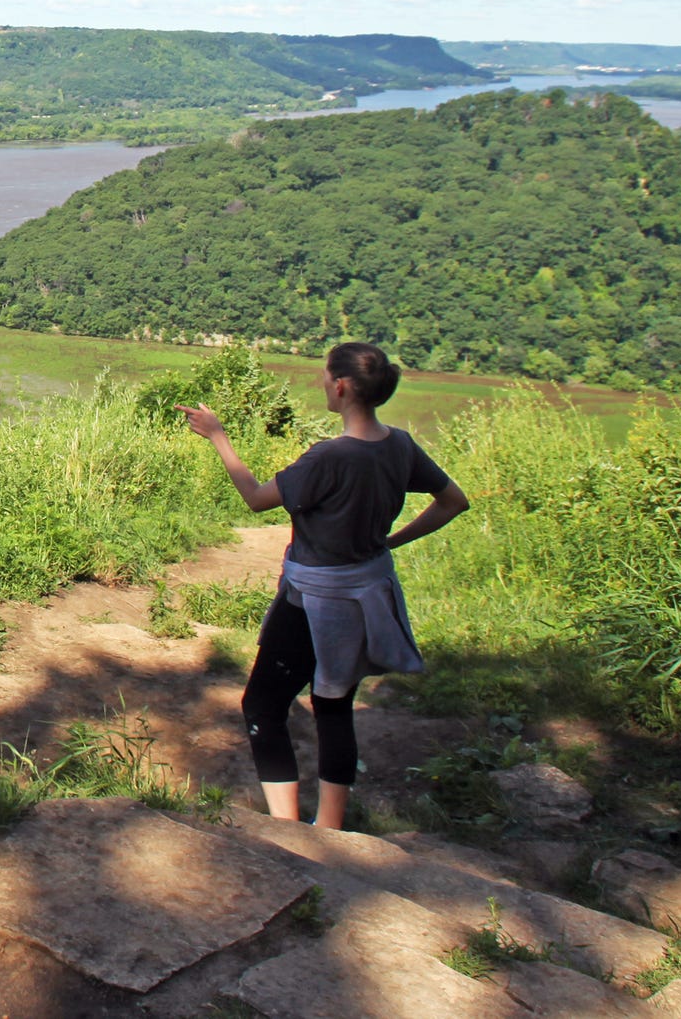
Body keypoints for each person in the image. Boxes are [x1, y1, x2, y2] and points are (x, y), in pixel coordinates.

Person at [184, 342, 471, 830]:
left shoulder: (328, 457)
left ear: (340, 387)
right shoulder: (400, 445)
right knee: (334, 704)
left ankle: (286, 827)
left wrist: (219, 437)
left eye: (324, 377)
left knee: (263, 704)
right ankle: (332, 830)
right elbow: (453, 501)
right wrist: (391, 542)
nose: (322, 383)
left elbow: (255, 499)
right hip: (368, 596)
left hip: (313, 601)